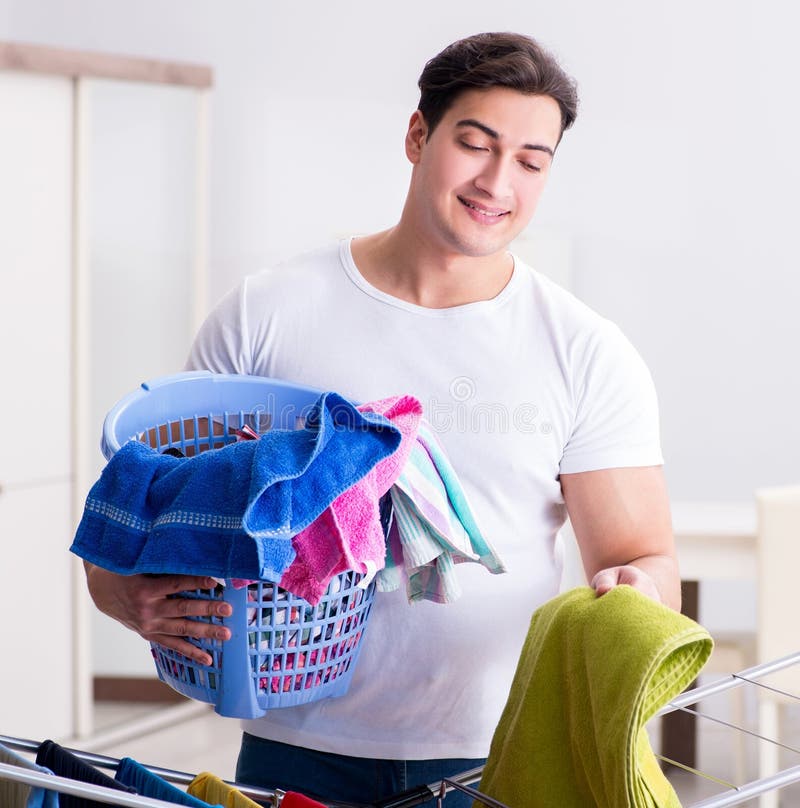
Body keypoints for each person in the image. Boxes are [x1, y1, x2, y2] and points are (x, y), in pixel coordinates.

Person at [83, 31, 680, 807]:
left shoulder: (583, 351)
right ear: (417, 136)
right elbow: (150, 507)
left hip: (497, 757)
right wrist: (120, 591)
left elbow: (643, 560)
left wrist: (637, 592)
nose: (497, 181)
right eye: (476, 144)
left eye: (531, 162)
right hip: (295, 747)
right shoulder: (268, 314)